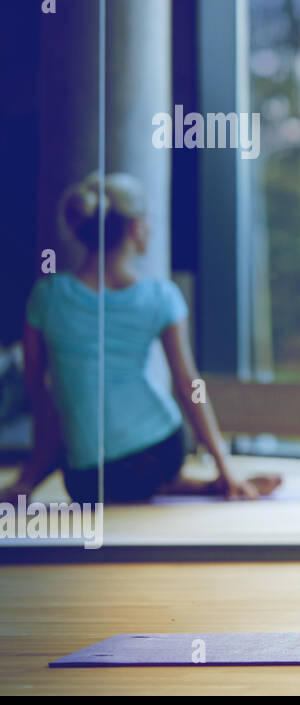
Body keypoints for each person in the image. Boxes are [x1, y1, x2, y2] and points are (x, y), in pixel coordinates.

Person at [0, 172, 280, 505]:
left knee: (84, 431)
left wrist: (28, 479)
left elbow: (39, 392)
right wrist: (226, 468)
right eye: (147, 221)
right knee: (131, 463)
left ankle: (196, 485)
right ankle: (203, 485)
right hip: (161, 452)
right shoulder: (162, 296)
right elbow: (189, 384)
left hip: (87, 479)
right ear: (135, 228)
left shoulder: (46, 297)